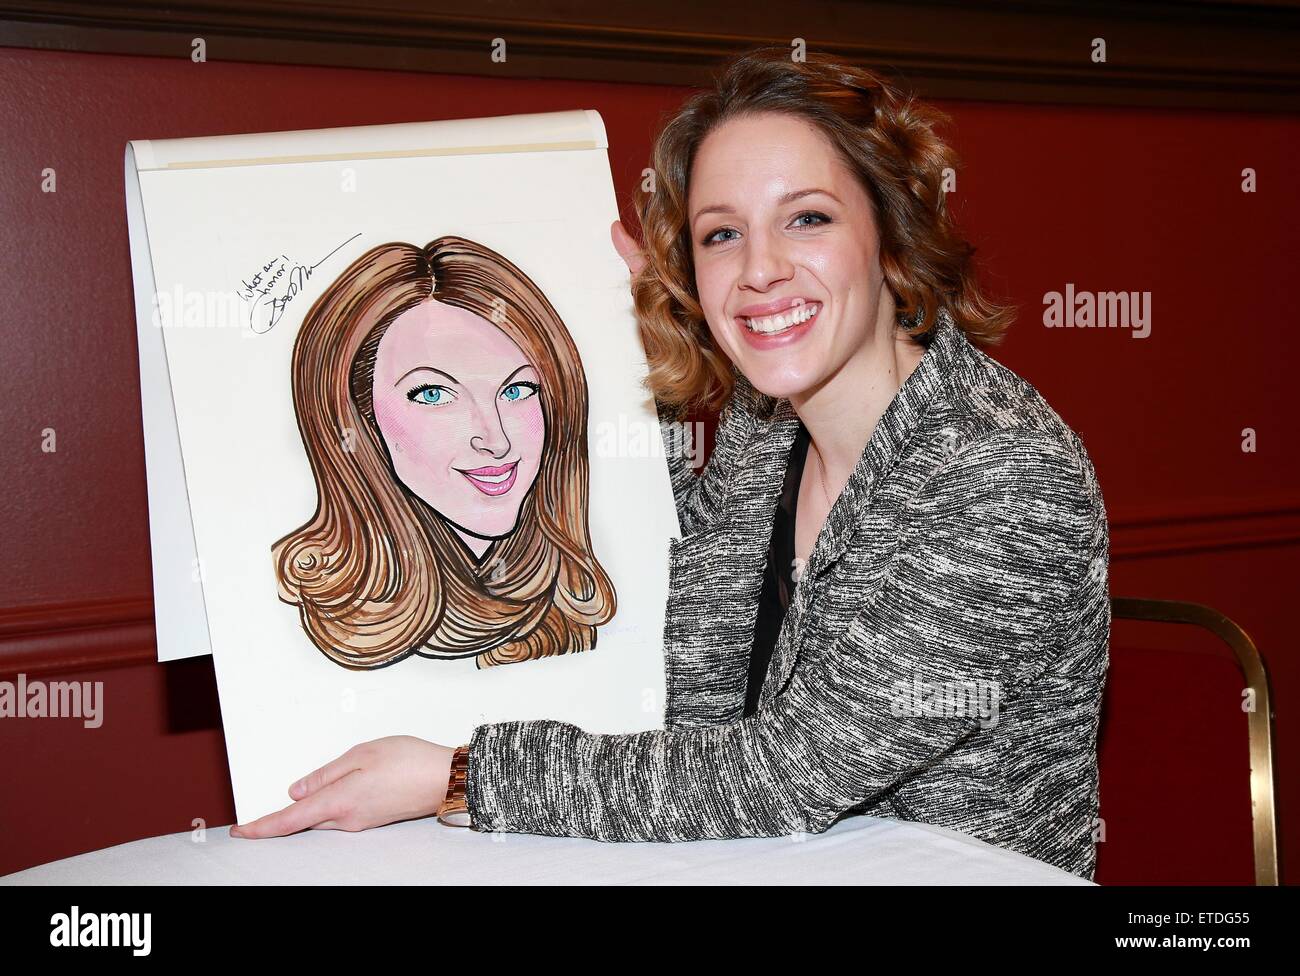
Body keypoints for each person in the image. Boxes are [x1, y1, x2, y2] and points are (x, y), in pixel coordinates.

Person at [231, 46, 1110, 880]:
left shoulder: (1003, 472)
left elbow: (785, 774)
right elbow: (660, 551)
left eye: (807, 219)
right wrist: (610, 340)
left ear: (890, 234)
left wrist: (459, 775)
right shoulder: (772, 427)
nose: (760, 270)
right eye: (721, 235)